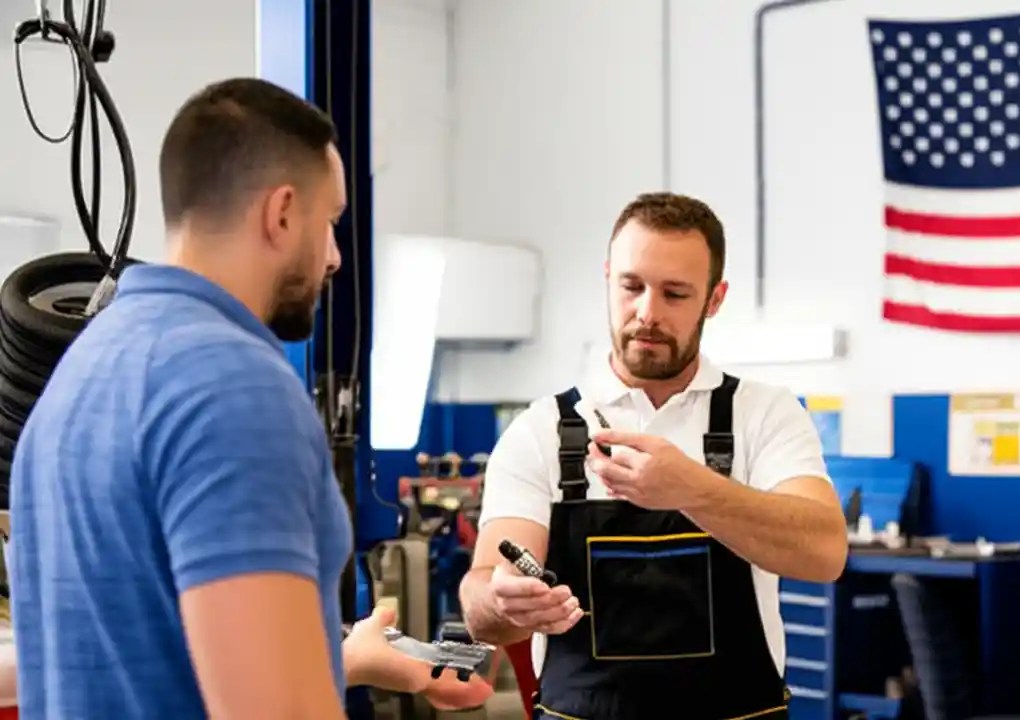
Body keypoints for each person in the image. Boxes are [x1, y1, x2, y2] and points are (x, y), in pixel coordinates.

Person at [8, 78, 489, 719]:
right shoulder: (234, 385)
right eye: (332, 222)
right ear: (282, 213)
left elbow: (153, 651)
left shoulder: (77, 377)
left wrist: (341, 653)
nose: (336, 257)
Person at [459, 192, 849, 719]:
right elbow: (485, 599)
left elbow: (824, 552)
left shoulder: (763, 415)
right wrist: (502, 600)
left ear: (714, 300)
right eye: (631, 286)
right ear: (607, 279)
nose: (647, 313)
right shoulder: (541, 432)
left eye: (675, 294)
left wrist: (689, 487)